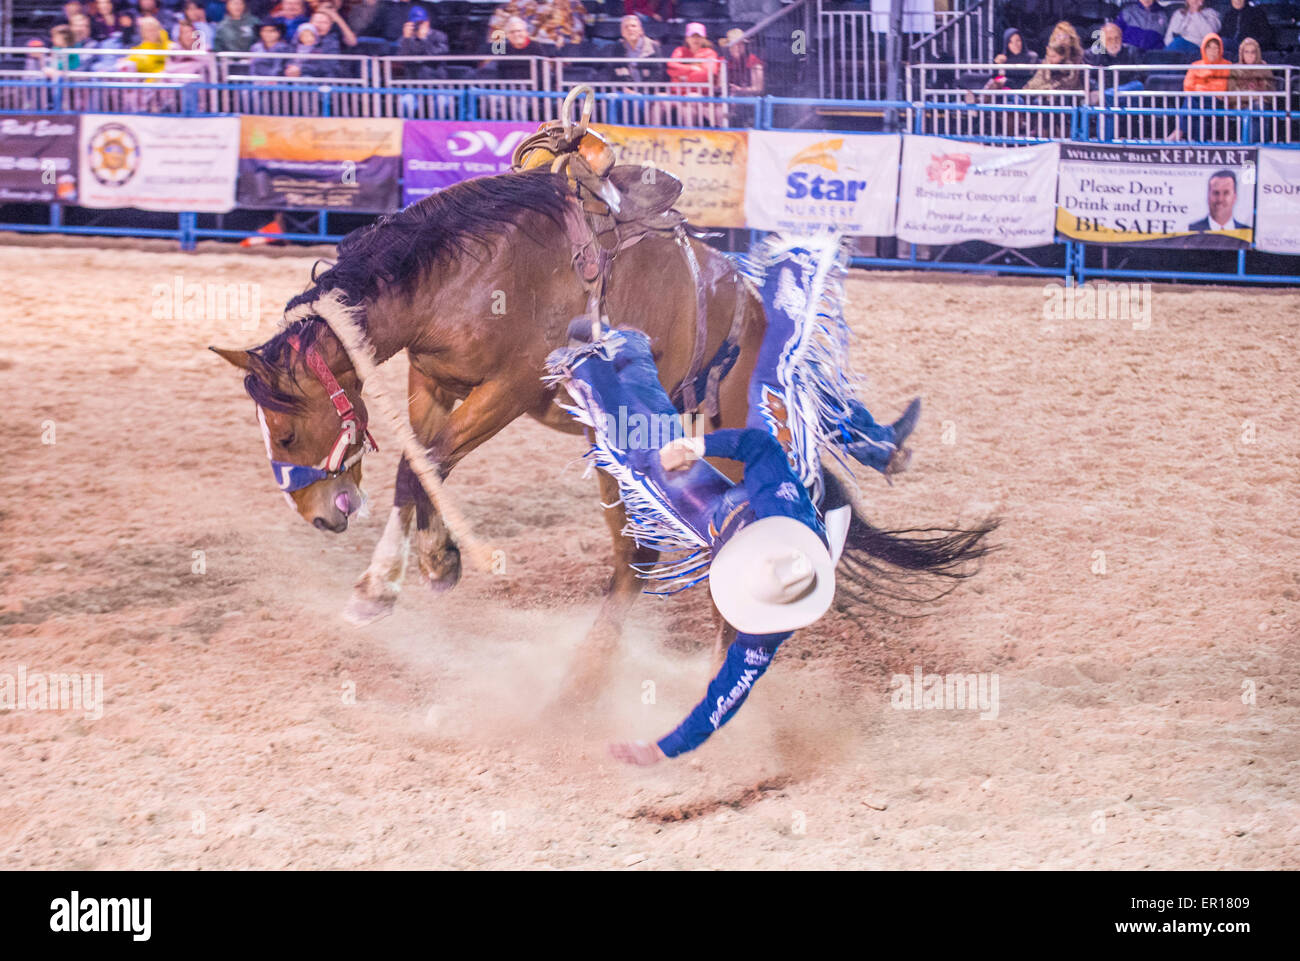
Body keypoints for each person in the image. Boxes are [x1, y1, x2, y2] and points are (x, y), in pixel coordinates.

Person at [667, 21, 721, 125]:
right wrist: (692, 68)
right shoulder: (679, 50)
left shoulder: (710, 53)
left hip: (702, 95)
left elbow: (707, 74)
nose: (695, 39)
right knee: (659, 99)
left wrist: (682, 77)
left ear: (703, 38)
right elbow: (671, 67)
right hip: (678, 94)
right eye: (692, 36)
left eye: (699, 36)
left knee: (691, 97)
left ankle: (690, 136)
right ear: (687, 38)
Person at [1024, 21, 1084, 91]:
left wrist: (1050, 89)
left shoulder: (1076, 56)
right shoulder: (1049, 56)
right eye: (1058, 36)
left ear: (1071, 39)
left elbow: (1071, 81)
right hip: (1048, 92)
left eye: (1065, 36)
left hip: (1068, 94)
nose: (1061, 39)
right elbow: (1040, 77)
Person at [397, 7, 449, 79]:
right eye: (415, 23)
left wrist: (424, 39)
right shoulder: (405, 38)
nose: (418, 25)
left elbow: (436, 57)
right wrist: (406, 39)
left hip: (435, 79)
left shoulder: (439, 36)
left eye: (420, 23)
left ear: (427, 22)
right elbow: (401, 58)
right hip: (413, 79)